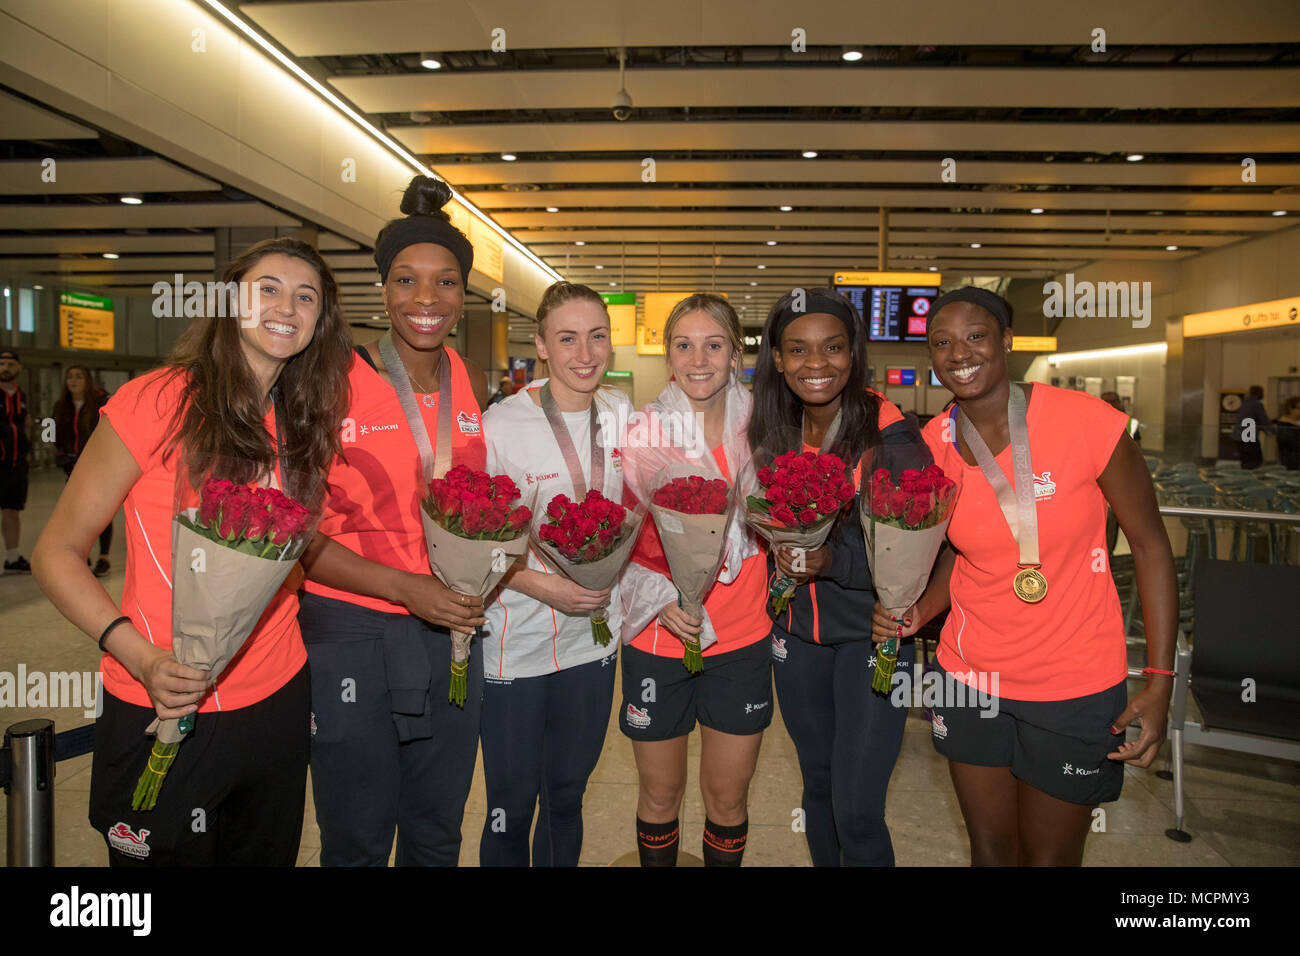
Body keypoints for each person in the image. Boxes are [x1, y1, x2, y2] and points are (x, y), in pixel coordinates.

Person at [32, 237, 353, 865]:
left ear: (319, 322)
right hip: (161, 694)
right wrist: (143, 658)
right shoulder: (160, 400)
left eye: (306, 296)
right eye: (268, 288)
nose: (286, 306)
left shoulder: (302, 421)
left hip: (277, 696)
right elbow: (56, 551)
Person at [875, 286, 1177, 867]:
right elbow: (949, 555)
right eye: (942, 342)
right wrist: (919, 610)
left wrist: (1160, 679)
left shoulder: (1089, 422)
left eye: (976, 336)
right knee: (990, 850)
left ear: (1007, 341)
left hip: (1075, 685)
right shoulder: (933, 446)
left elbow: (1150, 546)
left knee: (1050, 858)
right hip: (969, 677)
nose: (958, 352)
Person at [298, 175, 490, 867]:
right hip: (350, 630)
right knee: (357, 835)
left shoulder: (464, 377)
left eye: (445, 283)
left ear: (463, 296)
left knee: (438, 830)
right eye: (406, 280)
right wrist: (407, 589)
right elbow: (296, 538)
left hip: (448, 630)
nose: (426, 299)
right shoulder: (330, 379)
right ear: (382, 291)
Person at [748, 287, 926, 867]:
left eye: (832, 348)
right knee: (818, 789)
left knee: (857, 807)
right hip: (798, 640)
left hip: (870, 639)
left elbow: (917, 548)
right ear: (777, 359)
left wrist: (834, 562)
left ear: (853, 355)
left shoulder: (891, 435)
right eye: (797, 350)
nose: (815, 364)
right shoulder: (774, 429)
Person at [478, 281, 631, 866]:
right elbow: (469, 546)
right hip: (515, 643)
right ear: (541, 345)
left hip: (593, 644)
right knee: (511, 805)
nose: (584, 353)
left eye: (597, 337)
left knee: (567, 797)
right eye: (567, 339)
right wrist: (542, 585)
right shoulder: (500, 427)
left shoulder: (621, 414)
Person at [618, 293, 770, 867]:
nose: (698, 359)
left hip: (743, 634)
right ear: (668, 353)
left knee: (727, 799)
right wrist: (658, 601)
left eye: (714, 344)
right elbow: (617, 540)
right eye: (683, 344)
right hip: (659, 636)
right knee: (660, 794)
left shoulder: (763, 425)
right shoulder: (642, 434)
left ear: (735, 353)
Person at [53, 365, 114, 576]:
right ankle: (82, 552)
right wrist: (58, 452)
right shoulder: (60, 406)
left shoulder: (100, 404)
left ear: (87, 380)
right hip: (71, 467)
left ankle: (104, 556)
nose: (74, 381)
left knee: (101, 510)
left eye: (79, 376)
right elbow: (48, 432)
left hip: (97, 466)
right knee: (77, 511)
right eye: (70, 377)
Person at [0, 348, 31, 574]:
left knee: (12, 510)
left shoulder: (22, 396)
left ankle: (12, 558)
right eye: (1, 364)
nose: (5, 368)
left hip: (16, 464)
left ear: (18, 368)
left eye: (10, 364)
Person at [1236, 385, 1273, 470]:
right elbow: (1264, 421)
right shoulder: (1257, 405)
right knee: (1255, 461)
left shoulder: (1245, 403)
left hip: (1239, 436)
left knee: (1245, 461)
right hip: (1249, 436)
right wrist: (1273, 431)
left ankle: (1245, 477)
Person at [1276, 396, 1300, 471]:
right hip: (1291, 461)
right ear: (1290, 409)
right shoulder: (1284, 425)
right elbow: (1290, 443)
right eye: (1298, 408)